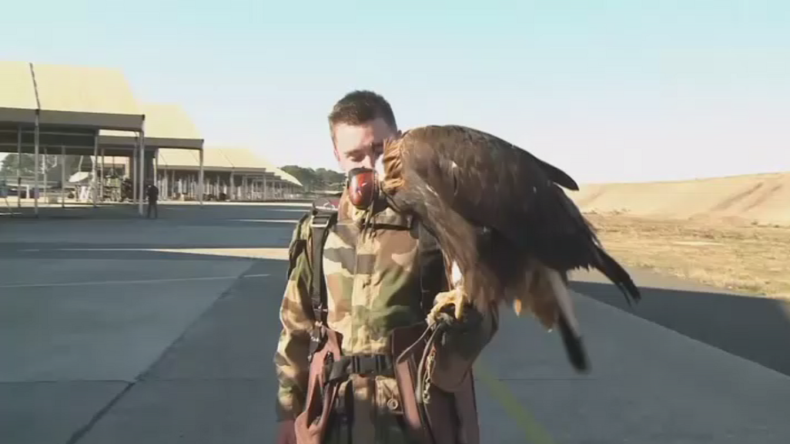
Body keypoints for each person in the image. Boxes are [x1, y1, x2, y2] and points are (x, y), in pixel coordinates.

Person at [274, 90, 499, 444]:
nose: (370, 165)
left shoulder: (438, 226)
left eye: (379, 150)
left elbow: (484, 324)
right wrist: (289, 412)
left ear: (399, 143)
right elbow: (297, 327)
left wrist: (466, 318)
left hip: (415, 422)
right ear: (337, 157)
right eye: (355, 156)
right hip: (336, 421)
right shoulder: (319, 232)